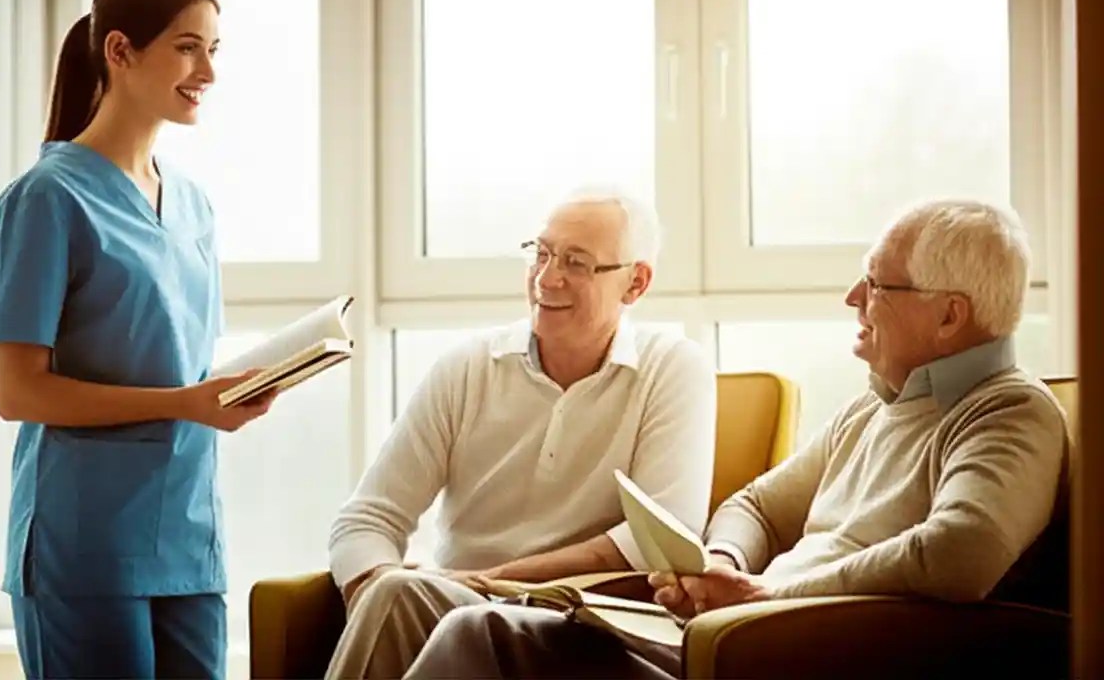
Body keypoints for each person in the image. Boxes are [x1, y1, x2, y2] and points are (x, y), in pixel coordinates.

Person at [405, 199, 1068, 679]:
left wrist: (770, 598)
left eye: (876, 284)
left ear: (949, 315)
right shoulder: (872, 409)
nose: (852, 299)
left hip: (797, 653)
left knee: (484, 634)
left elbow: (961, 552)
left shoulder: (1008, 411)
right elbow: (756, 508)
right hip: (739, 641)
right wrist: (721, 564)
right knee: (485, 632)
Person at [0, 0, 274, 678]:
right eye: (187, 48)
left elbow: (176, 360)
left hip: (188, 535)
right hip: (86, 544)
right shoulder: (48, 199)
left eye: (213, 50)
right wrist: (184, 403)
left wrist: (233, 390)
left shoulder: (194, 205)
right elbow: (17, 392)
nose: (207, 71)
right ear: (120, 51)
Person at [324, 188, 718, 679]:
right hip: (456, 605)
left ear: (635, 283)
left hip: (584, 626)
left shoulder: (672, 367)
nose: (547, 278)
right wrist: (374, 586)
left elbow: (659, 538)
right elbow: (366, 520)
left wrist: (490, 580)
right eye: (541, 253)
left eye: (576, 263)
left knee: (438, 608)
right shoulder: (467, 368)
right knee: (394, 591)